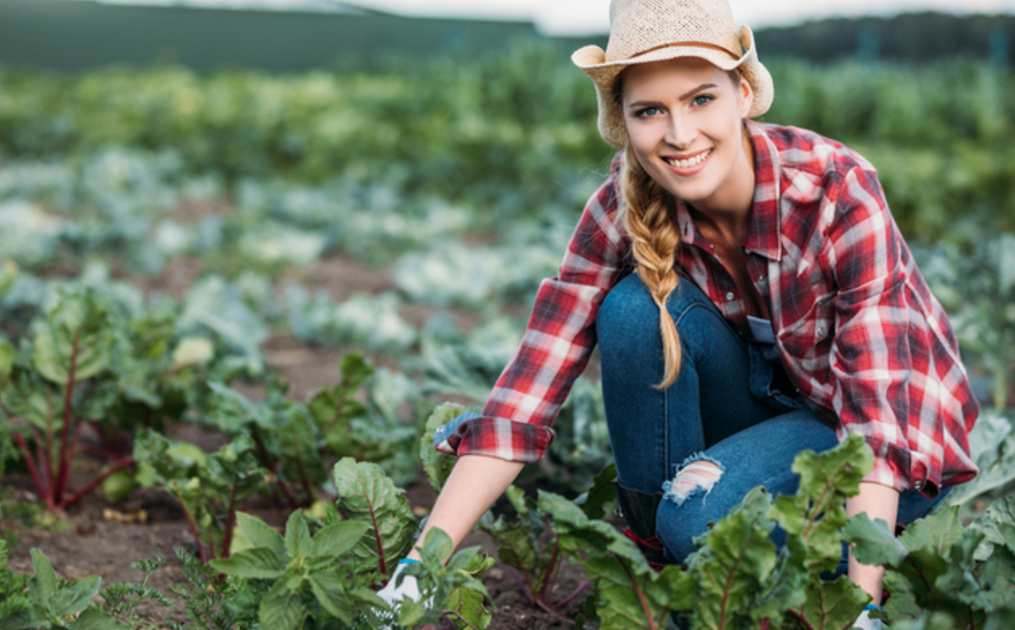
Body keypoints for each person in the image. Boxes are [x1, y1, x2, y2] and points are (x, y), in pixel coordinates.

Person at [379, 0, 980, 627]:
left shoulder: (835, 191)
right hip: (778, 410)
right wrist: (421, 567)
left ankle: (868, 560)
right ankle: (665, 570)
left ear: (743, 93)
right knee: (636, 309)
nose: (679, 135)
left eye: (700, 100)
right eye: (649, 111)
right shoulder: (623, 203)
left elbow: (876, 425)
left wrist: (861, 606)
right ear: (624, 121)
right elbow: (530, 389)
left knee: (704, 528)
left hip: (887, 452)